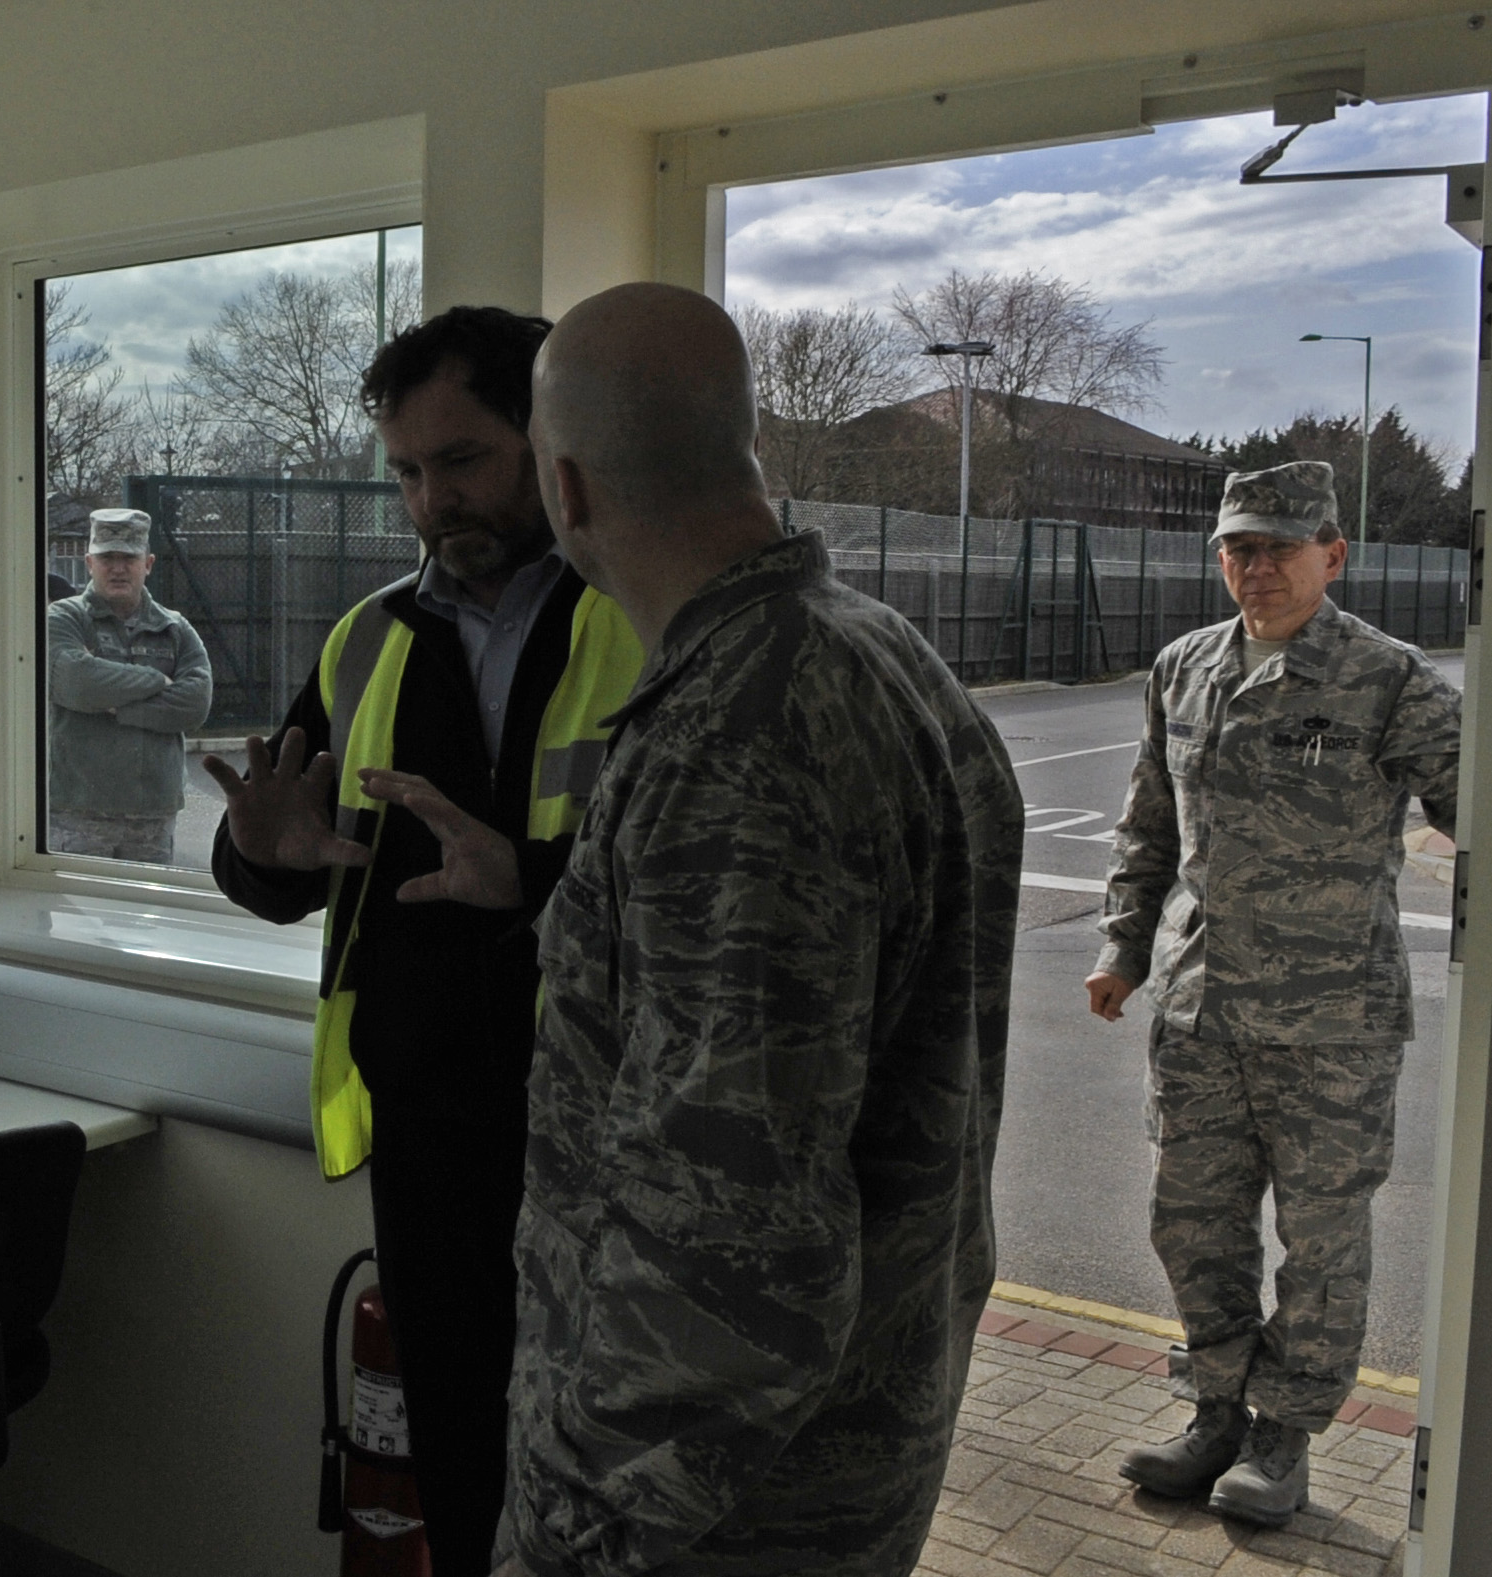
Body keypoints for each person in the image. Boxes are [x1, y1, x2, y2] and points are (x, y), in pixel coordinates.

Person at [468, 281, 1023, 1576]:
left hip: (706, 1517)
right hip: (856, 1448)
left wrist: (569, 1534)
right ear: (744, 449)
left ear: (566, 489)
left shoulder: (734, 737)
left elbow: (727, 1237)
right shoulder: (887, 657)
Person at [206, 306, 644, 1576]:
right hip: (435, 1140)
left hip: (609, 1137)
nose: (429, 497)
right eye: (404, 470)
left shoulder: (646, 619)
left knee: (614, 1489)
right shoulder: (365, 639)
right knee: (461, 1463)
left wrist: (531, 878)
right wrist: (258, 856)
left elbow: (708, 891)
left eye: (461, 459)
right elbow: (291, 872)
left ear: (548, 443)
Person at [1087, 460, 1460, 1527]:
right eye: (1237, 547)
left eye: (1278, 547)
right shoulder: (1179, 668)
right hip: (1200, 1012)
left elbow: (1465, 800)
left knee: (1321, 1242)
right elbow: (1147, 825)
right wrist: (1121, 947)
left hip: (1332, 1024)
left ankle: (1280, 1434)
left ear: (1331, 555)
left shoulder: (1387, 678)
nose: (1256, 566)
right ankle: (1212, 1408)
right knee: (1191, 1223)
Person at [46, 507, 214, 863]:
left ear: (148, 563)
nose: (118, 568)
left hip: (153, 818)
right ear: (89, 562)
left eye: (129, 558)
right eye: (108, 557)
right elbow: (75, 682)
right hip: (76, 815)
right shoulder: (63, 618)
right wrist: (157, 680)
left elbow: (194, 704)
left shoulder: (175, 628)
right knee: (78, 918)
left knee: (149, 919)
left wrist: (113, 703)